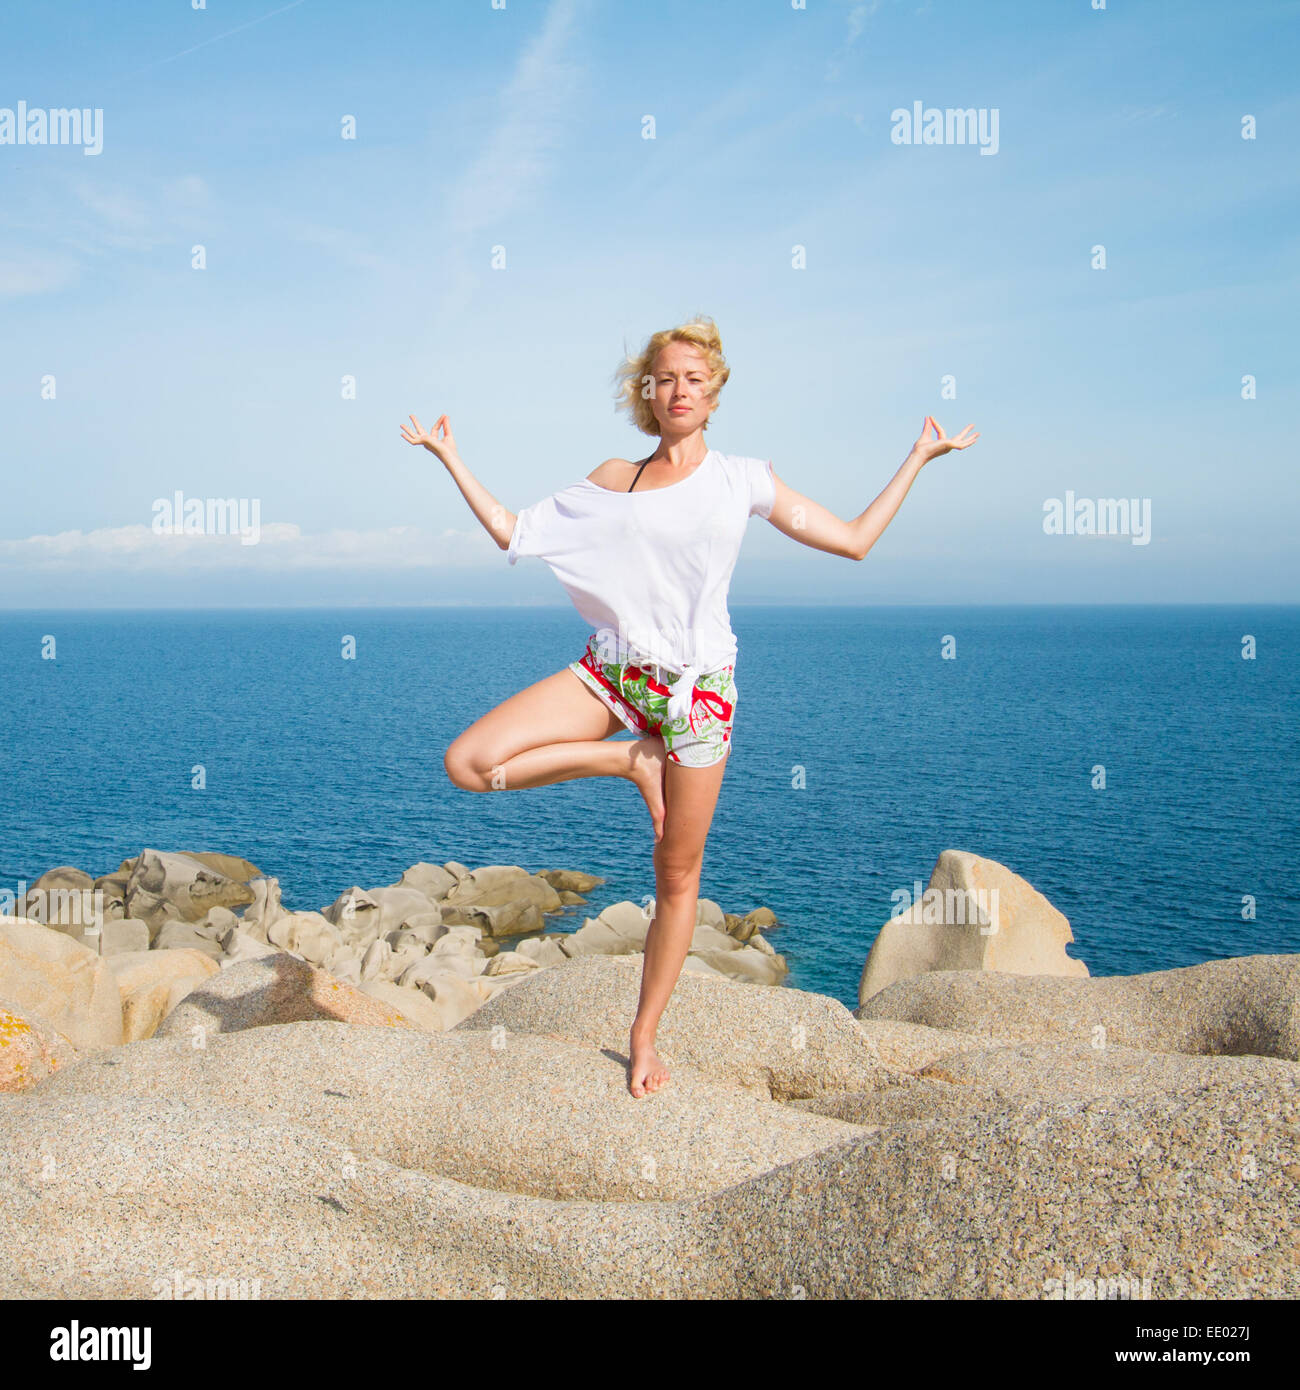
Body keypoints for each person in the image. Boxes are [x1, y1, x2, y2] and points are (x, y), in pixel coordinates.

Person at [400, 316, 978, 1097]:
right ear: (647, 390)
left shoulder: (743, 480)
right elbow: (514, 529)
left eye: (695, 379)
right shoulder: (613, 478)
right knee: (468, 764)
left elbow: (853, 541)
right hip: (613, 674)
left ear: (715, 394)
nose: (679, 390)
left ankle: (643, 1039)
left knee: (676, 875)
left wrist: (917, 457)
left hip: (697, 696)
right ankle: (625, 760)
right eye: (665, 377)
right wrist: (450, 458)